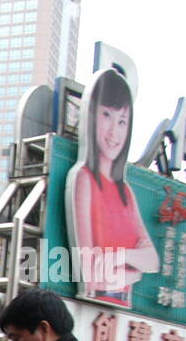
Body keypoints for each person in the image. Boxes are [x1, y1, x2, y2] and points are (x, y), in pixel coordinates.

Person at [66, 69, 159, 307]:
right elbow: (90, 269)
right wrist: (134, 271)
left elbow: (153, 261)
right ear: (91, 117)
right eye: (106, 115)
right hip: (91, 306)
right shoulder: (84, 179)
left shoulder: (125, 191)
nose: (113, 132)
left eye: (122, 121)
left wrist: (119, 257)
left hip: (121, 315)